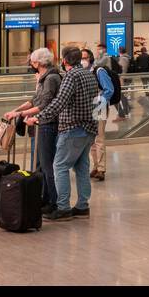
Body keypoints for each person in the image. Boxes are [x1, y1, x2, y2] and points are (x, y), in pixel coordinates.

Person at [25, 45, 100, 222]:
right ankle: (82, 206)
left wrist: (38, 117)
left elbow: (59, 102)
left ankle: (63, 208)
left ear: (65, 60)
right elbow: (97, 100)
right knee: (81, 168)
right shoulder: (89, 74)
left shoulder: (71, 76)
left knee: (59, 166)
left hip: (72, 129)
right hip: (89, 128)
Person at [9, 48, 62, 212]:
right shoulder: (43, 78)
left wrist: (21, 113)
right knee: (39, 165)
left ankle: (52, 201)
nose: (31, 64)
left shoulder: (51, 79)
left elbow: (43, 104)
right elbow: (34, 100)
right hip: (39, 125)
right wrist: (17, 110)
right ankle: (42, 197)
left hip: (47, 125)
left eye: (32, 61)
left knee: (47, 165)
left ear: (38, 63)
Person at [89, 50, 121, 182]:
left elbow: (109, 89)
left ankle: (101, 168)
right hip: (88, 107)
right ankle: (95, 166)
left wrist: (99, 101)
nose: (82, 60)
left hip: (99, 106)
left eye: (84, 57)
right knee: (91, 139)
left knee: (99, 138)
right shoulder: (84, 73)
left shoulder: (99, 71)